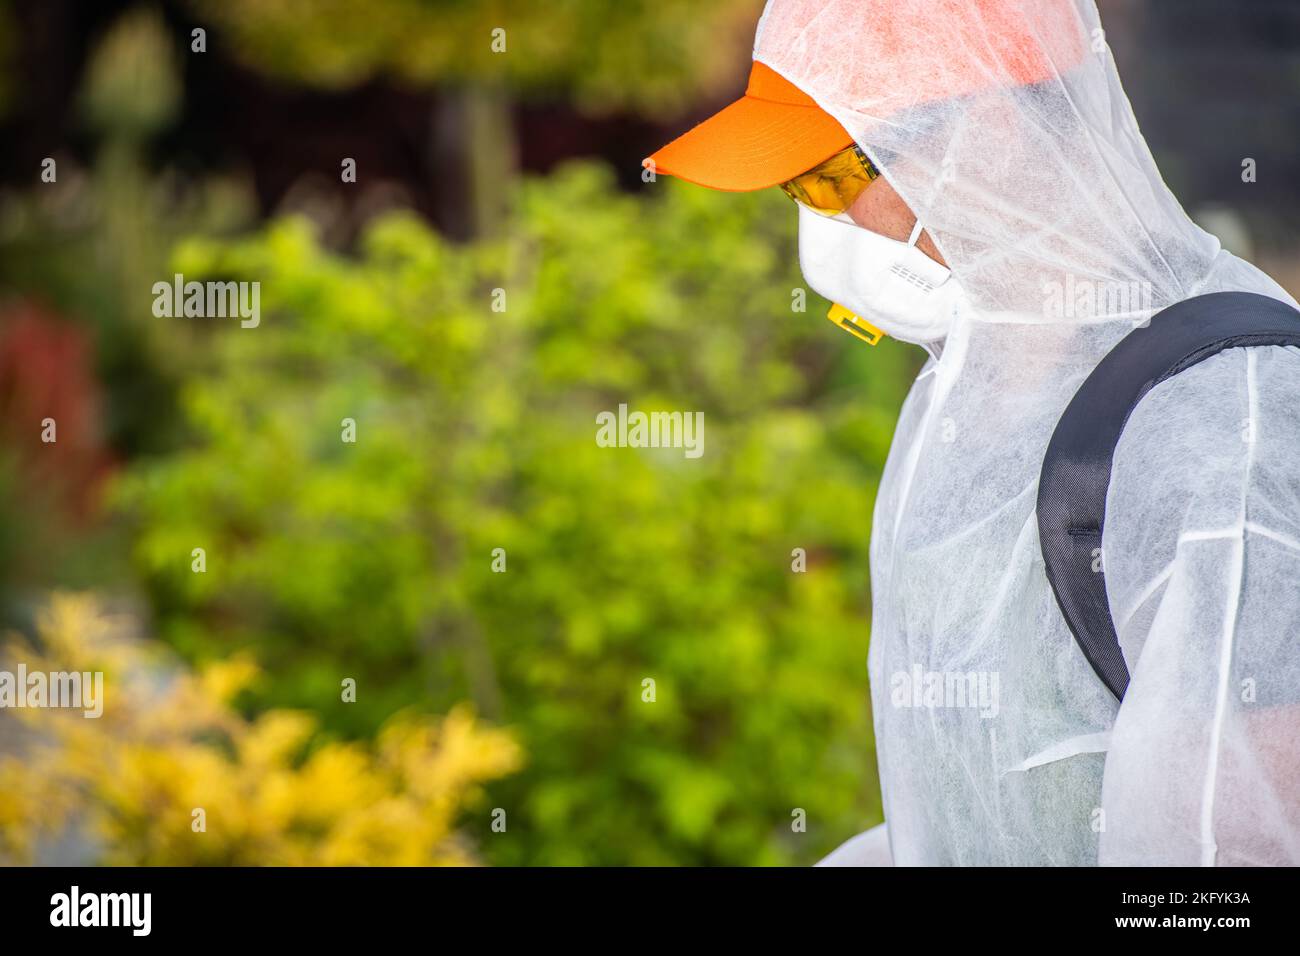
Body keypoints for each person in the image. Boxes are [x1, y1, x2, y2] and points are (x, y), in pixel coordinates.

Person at [645, 0, 1300, 866]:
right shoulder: (962, 390)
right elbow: (981, 802)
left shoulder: (1228, 413)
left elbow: (1236, 853)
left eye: (828, 177)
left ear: (989, 136)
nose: (820, 224)